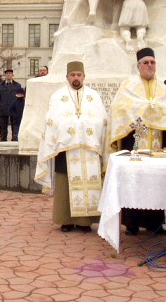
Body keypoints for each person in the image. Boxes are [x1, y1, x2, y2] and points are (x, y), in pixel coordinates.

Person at [35, 61, 107, 232]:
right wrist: (70, 127)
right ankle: (65, 220)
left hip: (89, 147)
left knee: (90, 183)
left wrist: (86, 124)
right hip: (65, 148)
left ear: (84, 76)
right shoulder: (58, 96)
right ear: (67, 77)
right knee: (65, 184)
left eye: (79, 75)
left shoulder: (94, 96)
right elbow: (52, 121)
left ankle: (85, 222)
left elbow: (102, 120)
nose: (76, 78)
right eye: (72, 75)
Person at [108, 48, 166, 235]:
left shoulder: (164, 87)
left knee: (156, 183)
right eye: (146, 62)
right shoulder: (128, 86)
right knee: (134, 182)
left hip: (157, 143)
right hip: (135, 143)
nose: (150, 66)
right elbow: (119, 108)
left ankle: (155, 223)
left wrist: (155, 111)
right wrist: (144, 109)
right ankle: (132, 223)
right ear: (138, 66)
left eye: (152, 62)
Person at [0, 69, 22, 141]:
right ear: (5, 75)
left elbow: (20, 95)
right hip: (3, 108)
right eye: (7, 73)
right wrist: (0, 105)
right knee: (3, 126)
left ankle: (15, 139)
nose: (8, 74)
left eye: (10, 73)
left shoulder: (17, 85)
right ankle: (3, 139)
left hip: (14, 109)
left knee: (15, 125)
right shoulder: (0, 86)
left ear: (12, 75)